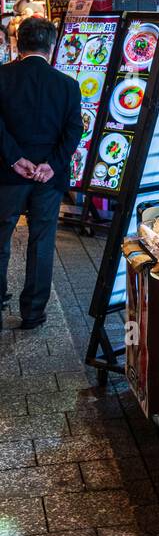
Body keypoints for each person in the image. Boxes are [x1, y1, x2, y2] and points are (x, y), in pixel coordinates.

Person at [0, 16, 82, 330]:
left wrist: (15, 159)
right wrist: (52, 164)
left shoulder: (2, 77)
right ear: (51, 46)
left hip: (7, 176)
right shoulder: (67, 85)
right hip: (48, 179)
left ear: (18, 43)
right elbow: (74, 130)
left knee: (1, 239)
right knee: (42, 241)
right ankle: (33, 313)